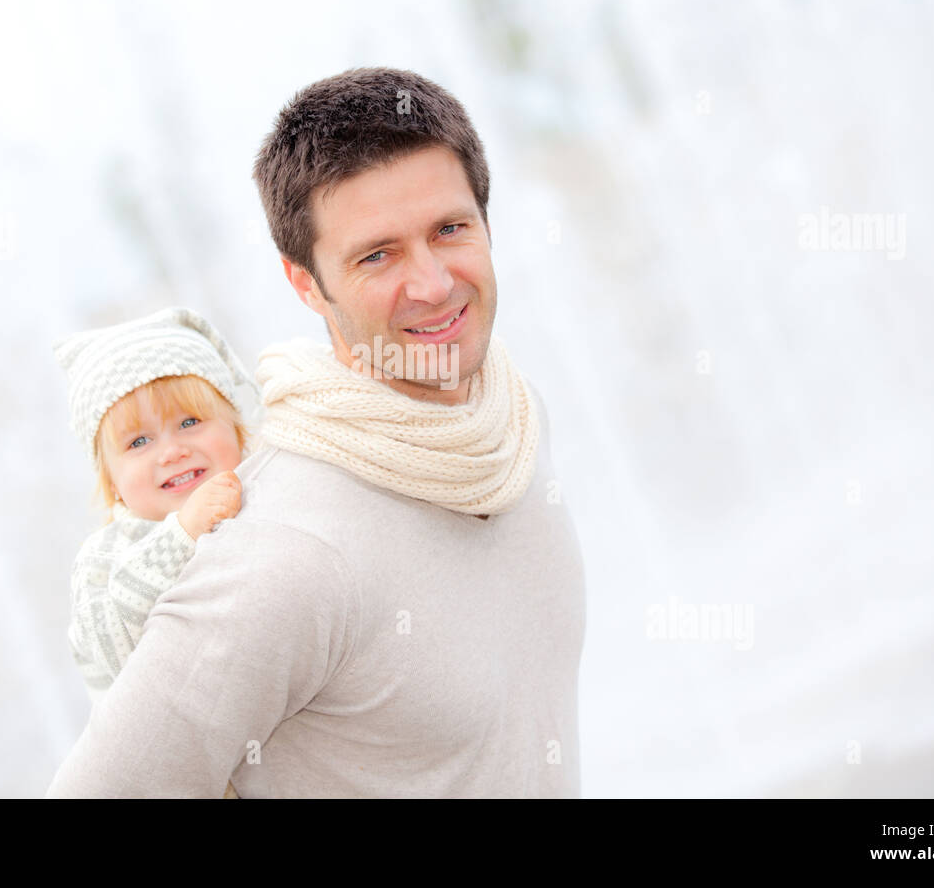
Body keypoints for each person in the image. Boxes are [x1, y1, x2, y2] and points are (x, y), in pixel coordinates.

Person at [47, 67, 586, 798]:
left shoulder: (516, 422)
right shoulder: (281, 555)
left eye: (449, 229)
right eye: (377, 255)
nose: (431, 284)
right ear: (305, 284)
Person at [52, 306, 255, 798]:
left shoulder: (258, 500)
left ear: (238, 433)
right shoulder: (108, 555)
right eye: (139, 441)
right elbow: (114, 644)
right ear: (112, 483)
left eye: (190, 422)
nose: (171, 451)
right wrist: (182, 533)